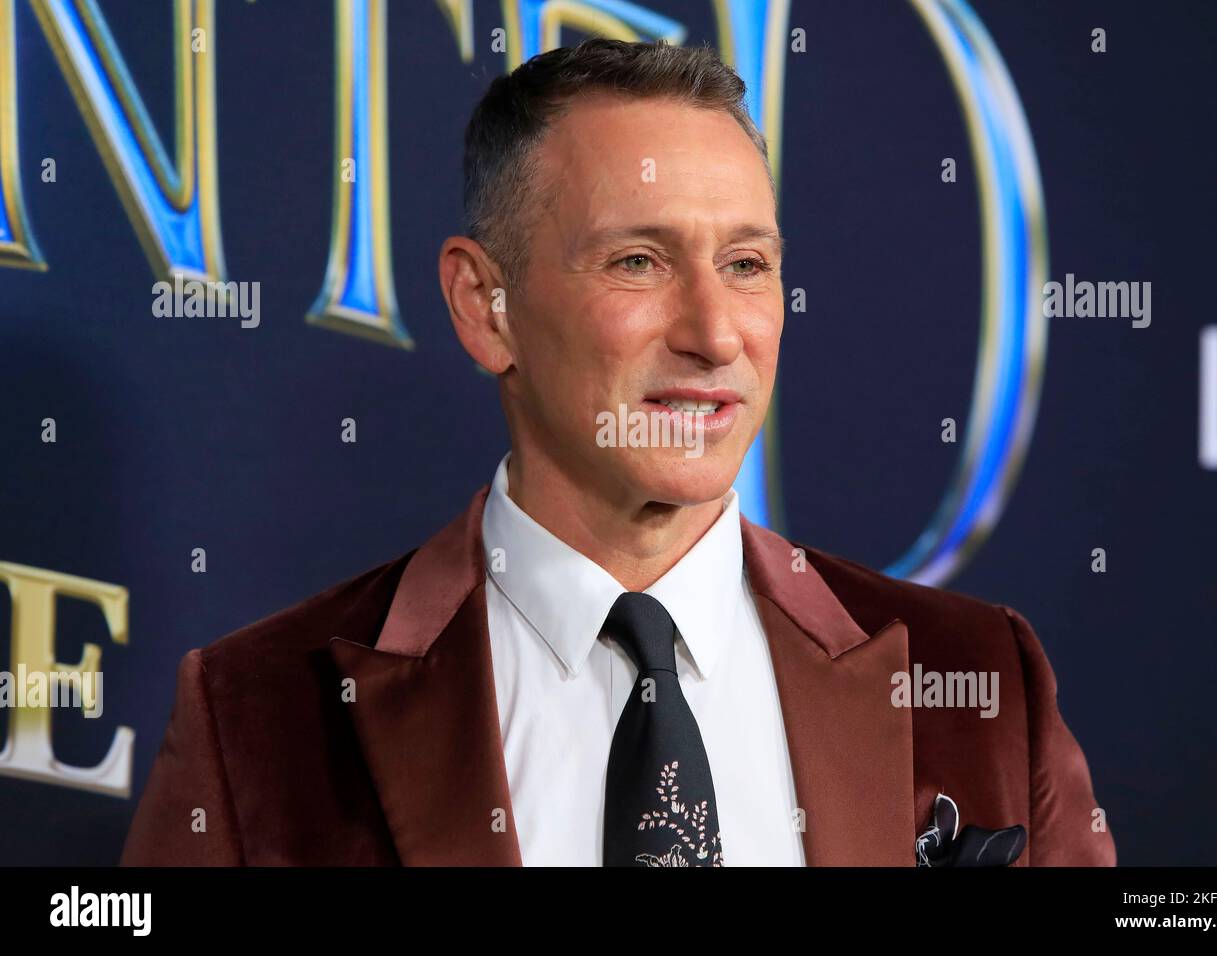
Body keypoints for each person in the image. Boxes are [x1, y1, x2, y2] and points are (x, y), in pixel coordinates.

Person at [121, 38, 1115, 867]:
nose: (716, 332)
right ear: (486, 306)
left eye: (746, 264)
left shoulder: (980, 678)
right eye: (637, 260)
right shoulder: (258, 718)